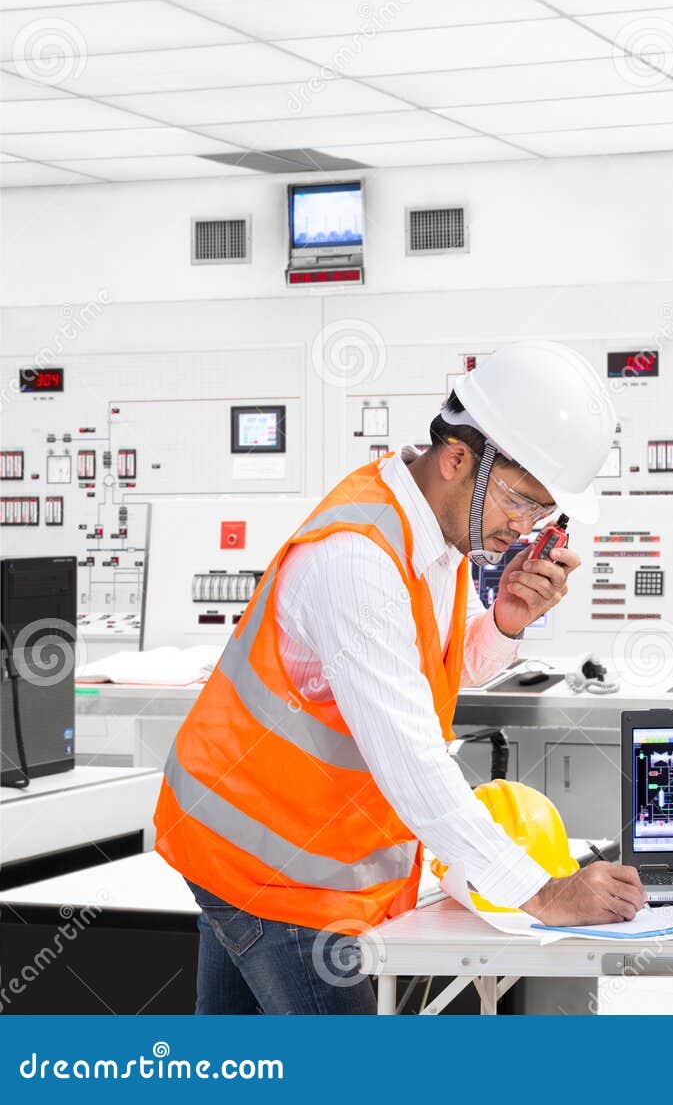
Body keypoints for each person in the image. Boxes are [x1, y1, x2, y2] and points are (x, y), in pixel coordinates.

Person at [153, 341, 646, 1014]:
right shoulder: (357, 561)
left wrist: (504, 621)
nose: (527, 527)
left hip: (261, 848)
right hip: (276, 869)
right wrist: (544, 891)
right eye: (522, 501)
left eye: (544, 512)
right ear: (457, 460)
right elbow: (412, 761)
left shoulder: (434, 535)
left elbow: (437, 668)